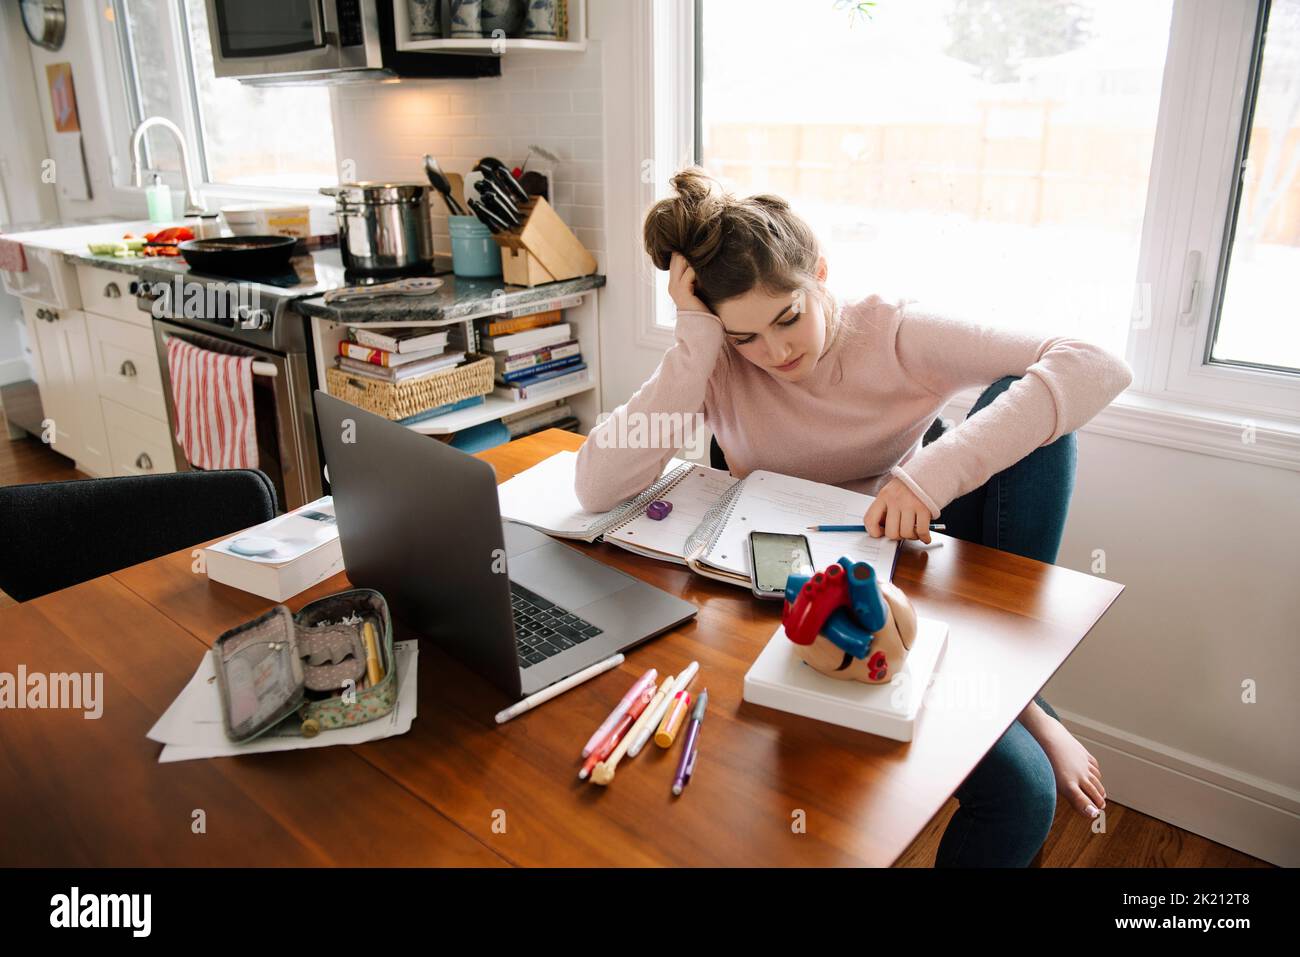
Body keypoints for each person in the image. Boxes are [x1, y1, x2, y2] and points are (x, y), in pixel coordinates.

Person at [575, 167, 1131, 866]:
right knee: (1027, 790)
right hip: (785, 593)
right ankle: (1028, 707)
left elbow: (1097, 362)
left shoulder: (893, 331)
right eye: (745, 336)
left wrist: (927, 476)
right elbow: (596, 484)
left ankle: (1020, 689)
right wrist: (696, 343)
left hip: (905, 570)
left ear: (821, 274)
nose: (776, 353)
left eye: (787, 316)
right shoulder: (713, 358)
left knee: (1035, 411)